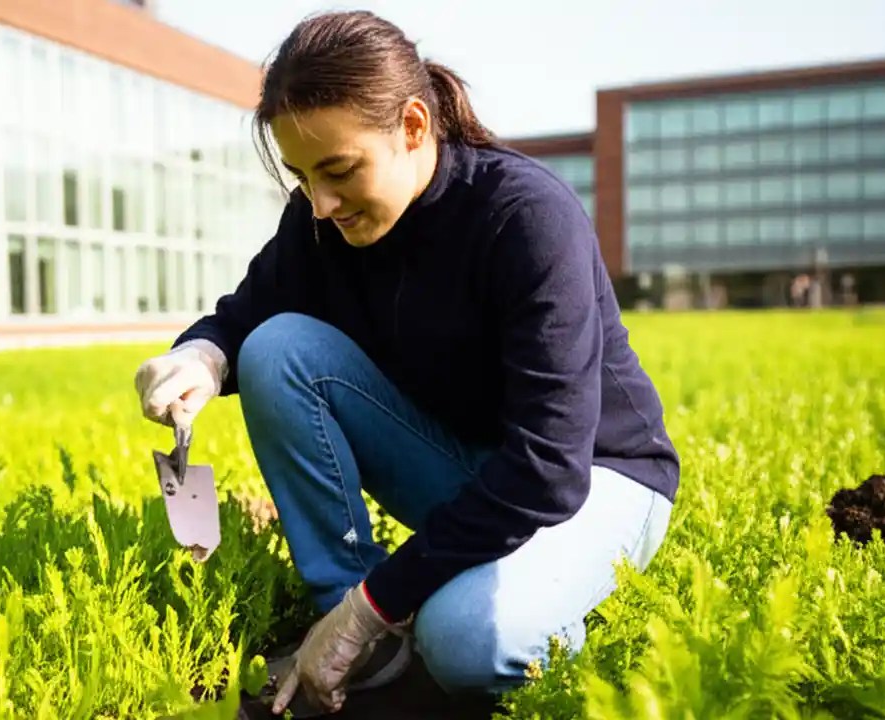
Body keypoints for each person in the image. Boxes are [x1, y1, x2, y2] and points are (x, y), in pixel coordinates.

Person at [133, 9, 681, 716]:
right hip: (474, 468)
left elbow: (548, 468)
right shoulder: (322, 221)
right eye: (302, 178)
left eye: (339, 171)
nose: (322, 204)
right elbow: (250, 314)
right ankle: (367, 646)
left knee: (465, 644)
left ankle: (434, 621)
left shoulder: (525, 219)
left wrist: (379, 601)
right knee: (276, 348)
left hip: (597, 480)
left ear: (414, 127)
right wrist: (201, 357)